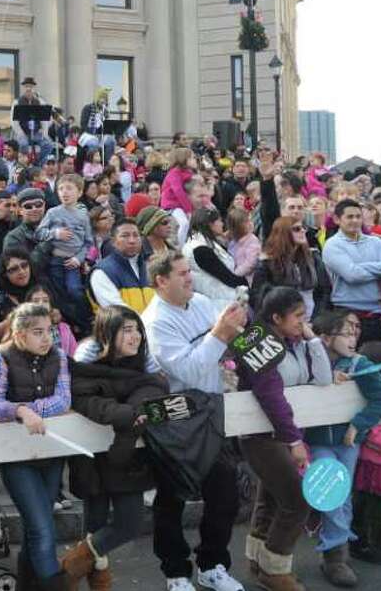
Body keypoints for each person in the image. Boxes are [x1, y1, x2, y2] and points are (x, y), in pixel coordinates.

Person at [142, 252, 246, 591]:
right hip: (174, 419)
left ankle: (212, 565)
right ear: (161, 281)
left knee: (225, 494)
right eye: (182, 273)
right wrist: (220, 333)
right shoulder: (155, 321)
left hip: (211, 411)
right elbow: (188, 370)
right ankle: (175, 573)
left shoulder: (201, 302)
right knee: (171, 500)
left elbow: (221, 350)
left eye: (189, 271)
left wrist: (236, 332)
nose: (190, 278)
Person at [63, 305, 165, 588]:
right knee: (95, 525)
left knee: (128, 523)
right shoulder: (86, 365)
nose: (136, 337)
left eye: (137, 330)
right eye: (127, 330)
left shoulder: (146, 366)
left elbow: (153, 392)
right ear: (108, 334)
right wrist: (126, 416)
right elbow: (85, 400)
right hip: (92, 457)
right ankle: (97, 582)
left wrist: (128, 430)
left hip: (127, 458)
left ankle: (65, 570)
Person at [238, 287, 332, 591]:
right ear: (276, 318)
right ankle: (275, 569)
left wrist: (312, 340)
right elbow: (270, 395)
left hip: (284, 431)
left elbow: (323, 379)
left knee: (270, 499)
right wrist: (294, 441)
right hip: (261, 434)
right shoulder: (257, 341)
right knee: (297, 499)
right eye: (297, 316)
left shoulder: (294, 342)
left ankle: (260, 563)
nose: (303, 321)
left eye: (305, 315)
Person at [304, 310, 381, 585]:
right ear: (326, 338)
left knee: (341, 494)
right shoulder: (308, 360)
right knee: (329, 492)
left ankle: (337, 555)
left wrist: (357, 425)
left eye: (355, 332)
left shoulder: (359, 363)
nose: (353, 338)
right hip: (317, 441)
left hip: (347, 442)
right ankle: (335, 552)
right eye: (346, 333)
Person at [0, 302, 71, 587]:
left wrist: (29, 408)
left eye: (49, 330)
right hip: (16, 456)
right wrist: (20, 411)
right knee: (43, 529)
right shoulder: (2, 357)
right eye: (38, 332)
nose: (47, 338)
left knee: (36, 528)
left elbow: (64, 399)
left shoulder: (59, 356)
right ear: (20, 334)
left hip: (52, 452)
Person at [322, 199, 381, 343]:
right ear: (337, 219)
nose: (355, 220)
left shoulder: (376, 242)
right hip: (346, 313)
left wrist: (358, 266)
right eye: (350, 217)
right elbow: (352, 275)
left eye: (358, 216)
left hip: (376, 313)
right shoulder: (332, 245)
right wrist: (376, 268)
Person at [35, 173, 91, 333]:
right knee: (59, 295)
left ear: (79, 192)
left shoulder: (83, 216)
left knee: (75, 290)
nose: (64, 192)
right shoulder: (53, 213)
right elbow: (39, 233)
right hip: (56, 260)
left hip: (72, 262)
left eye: (69, 188)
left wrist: (79, 258)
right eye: (60, 189)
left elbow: (88, 242)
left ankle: (85, 322)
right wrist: (55, 233)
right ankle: (68, 326)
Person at [250, 217, 325, 319]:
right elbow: (258, 298)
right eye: (297, 229)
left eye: (303, 227)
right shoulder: (267, 263)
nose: (303, 231)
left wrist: (316, 319)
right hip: (281, 320)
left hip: (312, 319)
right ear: (283, 233)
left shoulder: (312, 257)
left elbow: (324, 291)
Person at [88, 217, 154, 313]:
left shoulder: (149, 268)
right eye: (125, 236)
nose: (132, 240)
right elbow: (117, 310)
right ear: (113, 241)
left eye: (136, 235)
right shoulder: (102, 272)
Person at [183, 208, 246, 308]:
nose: (222, 224)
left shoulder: (200, 242)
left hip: (220, 299)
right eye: (219, 221)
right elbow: (227, 277)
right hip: (220, 302)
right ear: (210, 224)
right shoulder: (200, 249)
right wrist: (246, 284)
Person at [0, 248, 37, 349]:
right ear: (5, 274)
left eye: (24, 265)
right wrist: (10, 322)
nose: (21, 271)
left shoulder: (41, 288)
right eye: (14, 269)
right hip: (10, 353)